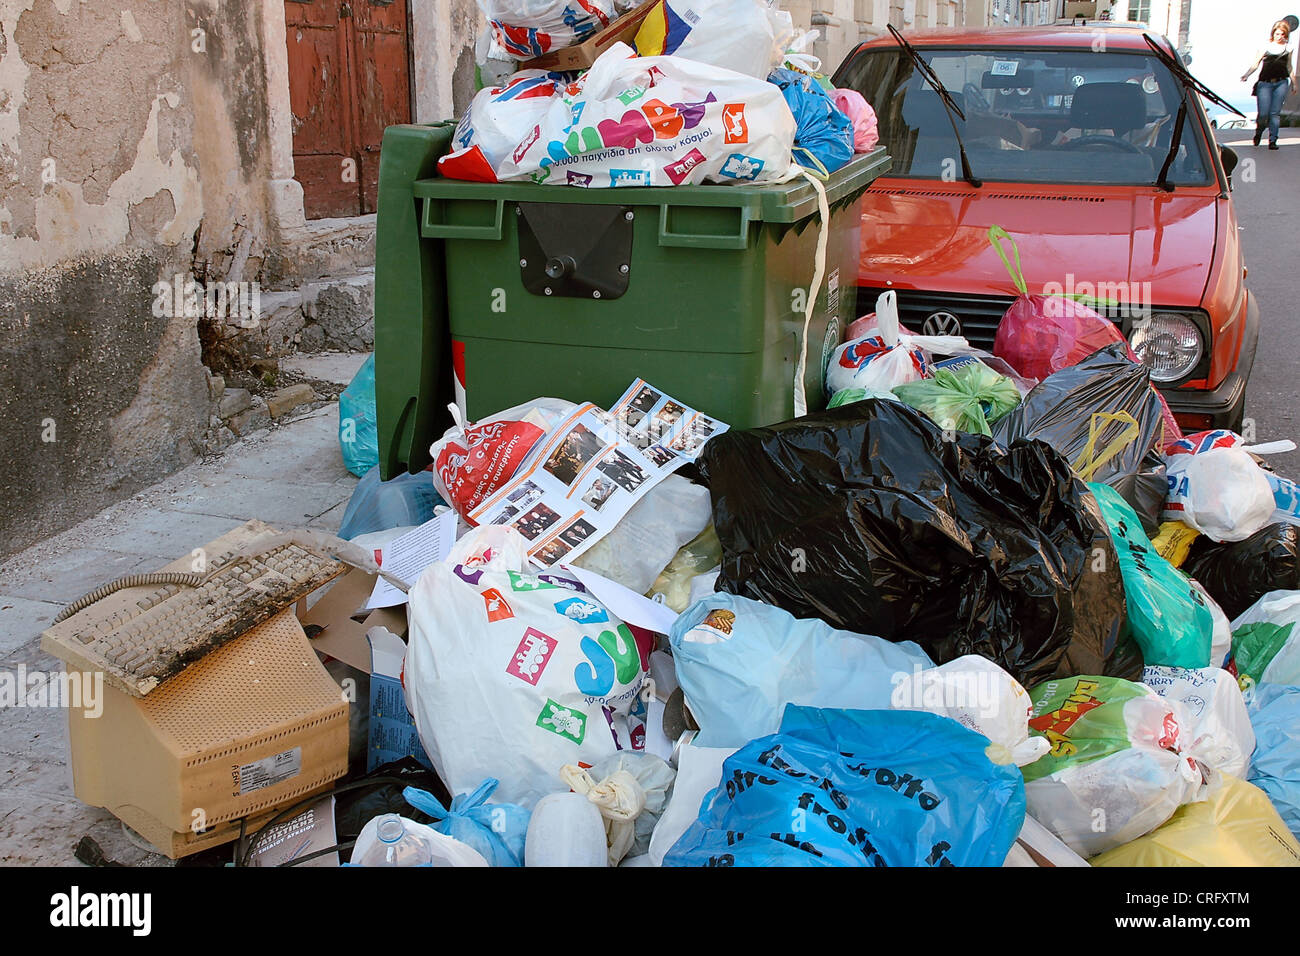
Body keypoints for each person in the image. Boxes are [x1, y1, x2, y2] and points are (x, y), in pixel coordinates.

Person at [1242, 20, 1298, 150]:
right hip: (1265, 84)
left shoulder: (1288, 48)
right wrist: (1246, 74)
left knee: (1275, 113)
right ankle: (1259, 132)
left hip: (1281, 82)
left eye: (1282, 34)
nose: (1280, 37)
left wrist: (1294, 84)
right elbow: (1255, 63)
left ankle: (1273, 140)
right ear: (1273, 33)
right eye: (1277, 34)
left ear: (1286, 35)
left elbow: (1289, 67)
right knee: (1263, 114)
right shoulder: (1265, 46)